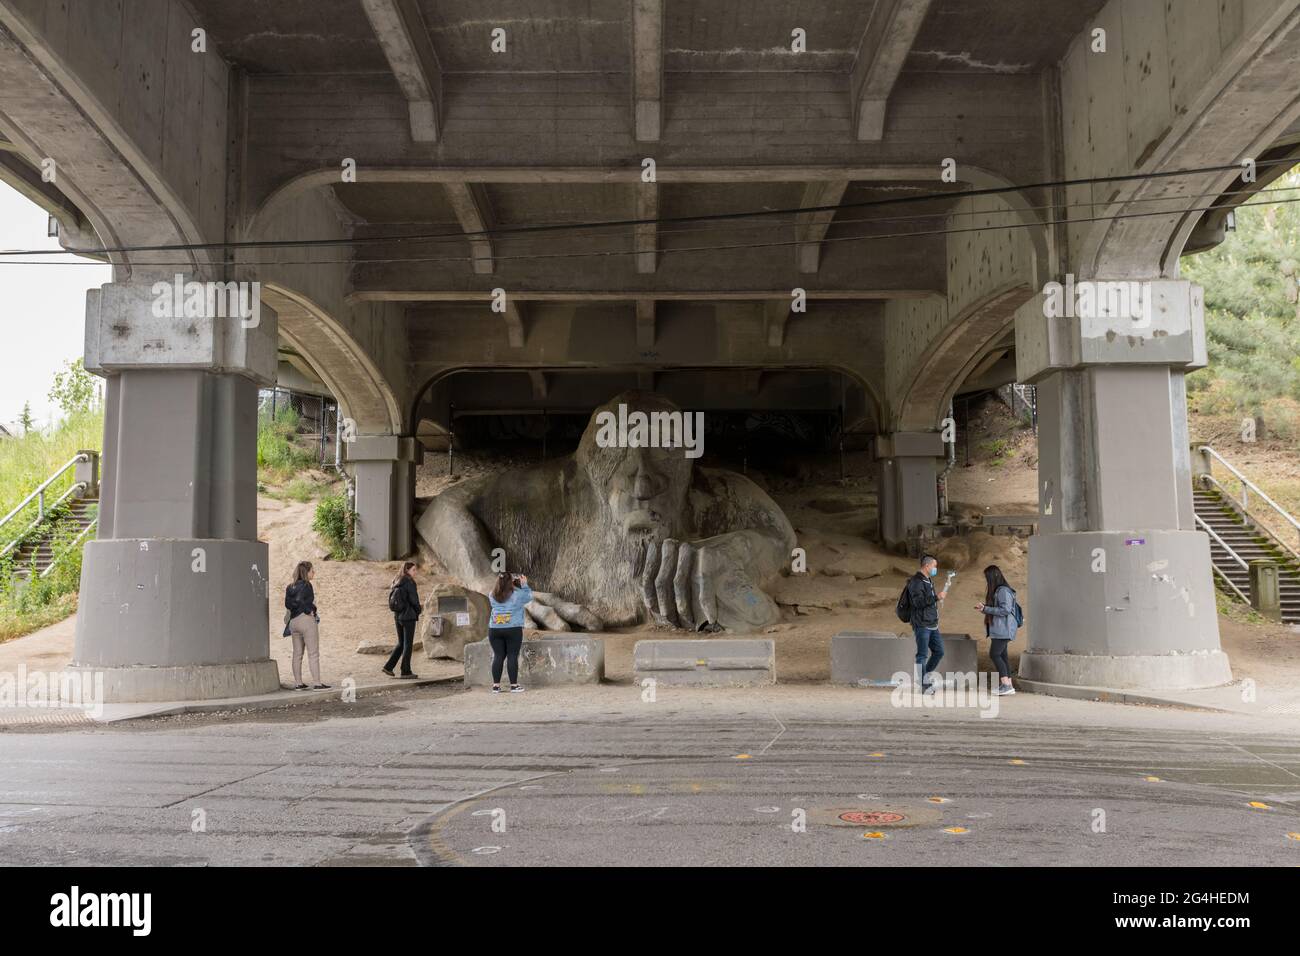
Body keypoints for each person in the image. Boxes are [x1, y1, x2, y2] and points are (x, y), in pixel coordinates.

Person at [905, 554, 947, 692]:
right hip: (922, 624)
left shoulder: (928, 580)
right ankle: (923, 684)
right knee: (922, 655)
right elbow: (917, 603)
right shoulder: (916, 581)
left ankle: (923, 677)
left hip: (932, 623)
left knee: (939, 651)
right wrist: (936, 597)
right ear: (926, 565)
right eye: (934, 566)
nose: (936, 568)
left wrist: (936, 599)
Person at [975, 564, 1018, 696]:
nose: (986, 580)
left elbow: (1005, 609)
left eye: (987, 577)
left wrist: (986, 609)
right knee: (1003, 656)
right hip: (1000, 629)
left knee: (994, 654)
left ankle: (1005, 684)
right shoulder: (999, 591)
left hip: (1003, 630)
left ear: (993, 577)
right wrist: (984, 608)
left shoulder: (1003, 591)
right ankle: (1008, 685)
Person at [285, 561, 328, 690]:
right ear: (306, 572)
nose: (314, 572)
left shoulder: (290, 587)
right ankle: (317, 683)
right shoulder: (307, 585)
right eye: (312, 571)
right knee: (313, 653)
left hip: (293, 622)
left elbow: (288, 604)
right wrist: (311, 610)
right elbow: (307, 603)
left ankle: (298, 683)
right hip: (306, 621)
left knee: (297, 654)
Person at [488, 571, 533, 694]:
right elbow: (529, 597)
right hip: (512, 628)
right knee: (512, 656)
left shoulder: (491, 594)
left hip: (494, 629)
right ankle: (514, 686)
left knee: (498, 656)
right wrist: (524, 584)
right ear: (511, 581)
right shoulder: (517, 595)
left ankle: (496, 686)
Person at [383, 562, 421, 679]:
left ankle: (388, 667)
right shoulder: (409, 582)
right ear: (407, 570)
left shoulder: (397, 581)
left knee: (401, 643)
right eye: (413, 570)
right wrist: (418, 610)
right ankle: (406, 671)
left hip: (397, 616)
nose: (416, 572)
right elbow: (414, 600)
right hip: (408, 617)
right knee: (408, 644)